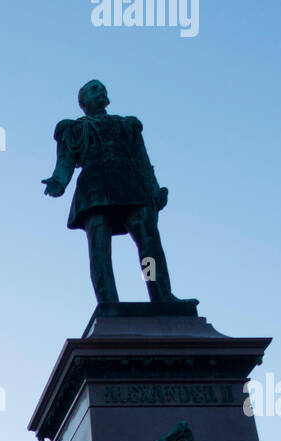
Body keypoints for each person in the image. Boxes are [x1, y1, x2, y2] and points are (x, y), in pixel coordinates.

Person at [42, 79, 183, 305]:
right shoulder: (74, 128)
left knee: (150, 244)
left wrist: (154, 189)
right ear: (83, 101)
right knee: (100, 249)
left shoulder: (127, 125)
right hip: (94, 191)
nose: (101, 91)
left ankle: (162, 295)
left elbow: (142, 160)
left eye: (102, 88)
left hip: (131, 188)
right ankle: (108, 302)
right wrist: (58, 182)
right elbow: (65, 161)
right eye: (94, 89)